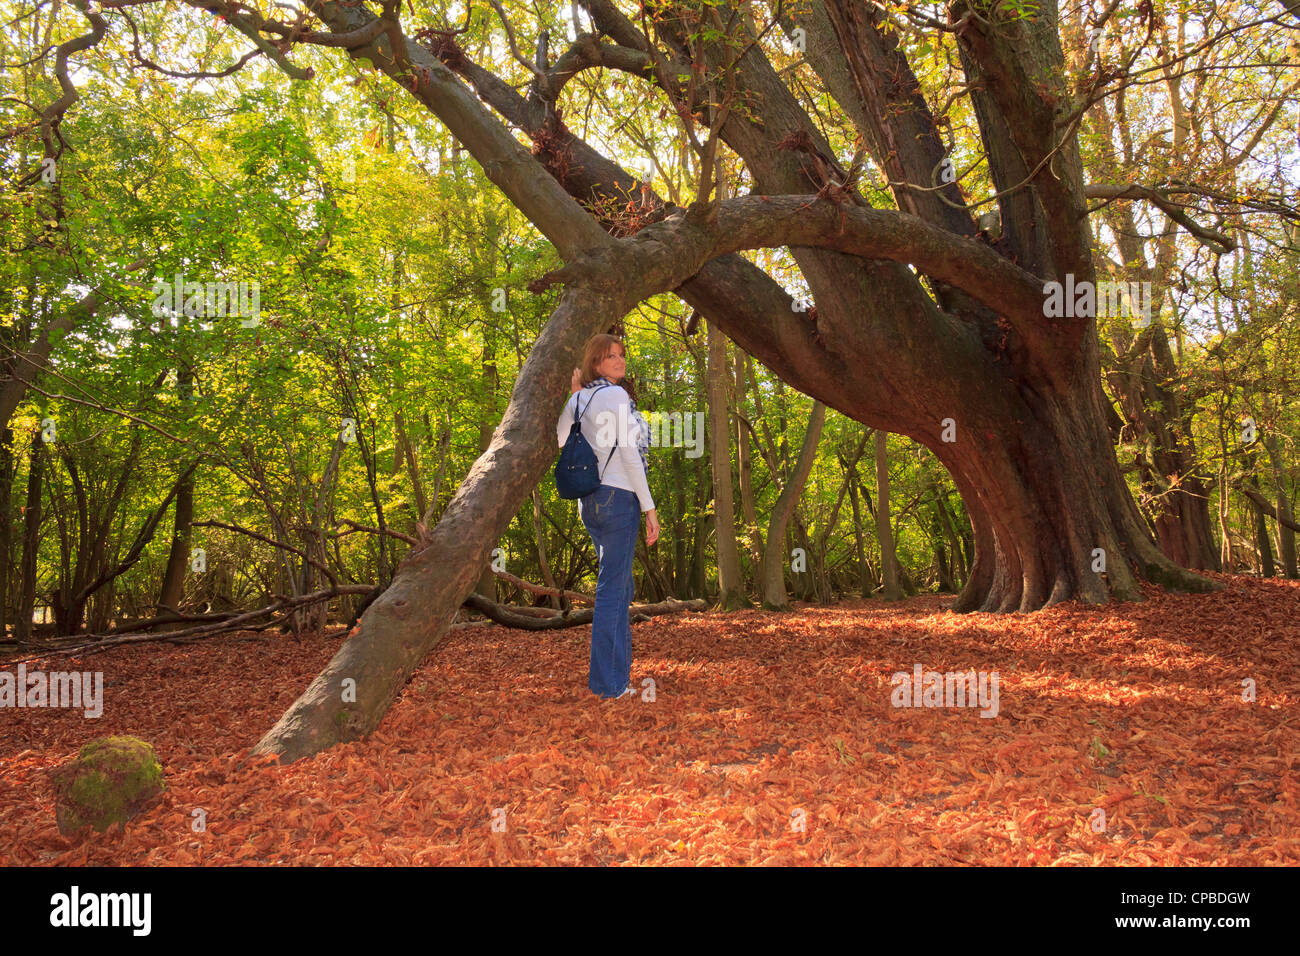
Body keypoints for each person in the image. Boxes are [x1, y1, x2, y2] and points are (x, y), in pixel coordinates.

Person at [555, 334, 660, 700]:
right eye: (609, 356)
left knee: (619, 586)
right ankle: (610, 685)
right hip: (618, 498)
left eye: (621, 355)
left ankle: (617, 676)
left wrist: (574, 396)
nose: (618, 361)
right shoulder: (616, 396)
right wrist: (650, 508)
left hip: (589, 502)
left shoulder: (578, 400)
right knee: (614, 590)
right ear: (595, 363)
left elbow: (561, 442)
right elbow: (630, 455)